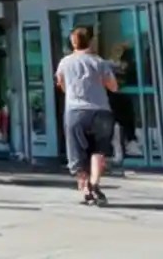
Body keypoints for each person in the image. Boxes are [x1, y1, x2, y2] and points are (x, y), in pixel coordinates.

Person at [55, 27, 117, 206]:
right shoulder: (99, 62)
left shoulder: (64, 63)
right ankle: (95, 183)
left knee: (77, 153)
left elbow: (61, 84)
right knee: (98, 151)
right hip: (100, 111)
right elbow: (113, 86)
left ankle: (86, 190)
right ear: (91, 41)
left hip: (75, 112)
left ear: (72, 43)